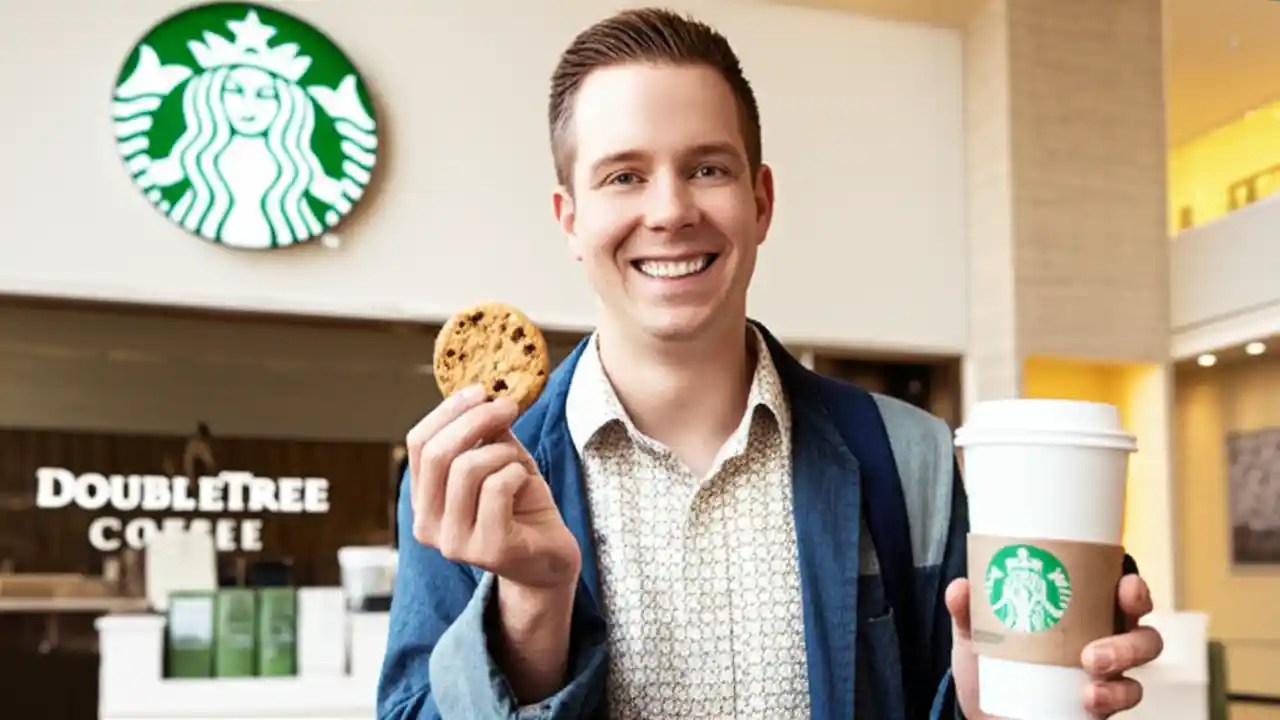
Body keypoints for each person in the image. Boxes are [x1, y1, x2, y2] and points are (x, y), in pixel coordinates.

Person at [377, 8, 1164, 719]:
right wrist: (532, 608)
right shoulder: (477, 481)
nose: (670, 210)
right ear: (570, 218)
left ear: (761, 202)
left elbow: (977, 688)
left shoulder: (910, 457)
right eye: (624, 176)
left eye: (707, 168)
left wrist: (992, 705)